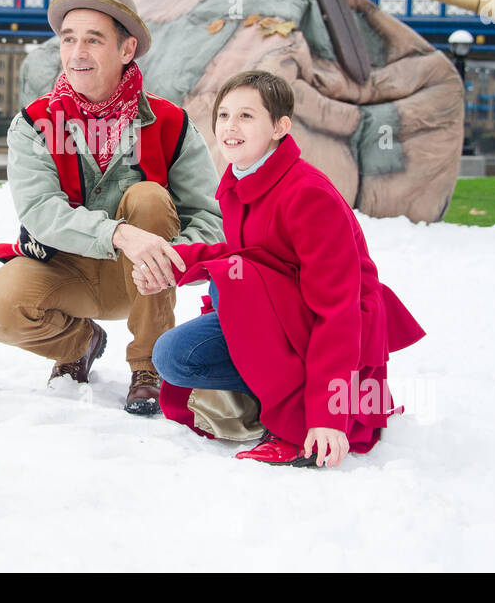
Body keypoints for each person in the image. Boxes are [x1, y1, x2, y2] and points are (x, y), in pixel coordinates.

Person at [136, 70, 426, 467]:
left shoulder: (308, 195)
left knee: (217, 303)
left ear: (279, 126)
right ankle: (266, 389)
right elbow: (251, 251)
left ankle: (296, 403)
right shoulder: (242, 178)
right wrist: (176, 262)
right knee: (176, 351)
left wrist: (327, 415)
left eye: (246, 116)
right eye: (223, 115)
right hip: (281, 311)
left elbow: (337, 309)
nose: (230, 127)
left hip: (334, 325)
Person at [0, 0, 224, 414]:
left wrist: (171, 254)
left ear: (127, 50)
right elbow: (40, 211)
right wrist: (120, 235)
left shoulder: (172, 123)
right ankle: (81, 343)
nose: (77, 53)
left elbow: (208, 217)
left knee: (148, 197)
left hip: (147, 278)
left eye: (93, 40)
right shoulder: (34, 124)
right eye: (68, 39)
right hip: (66, 270)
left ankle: (148, 365)